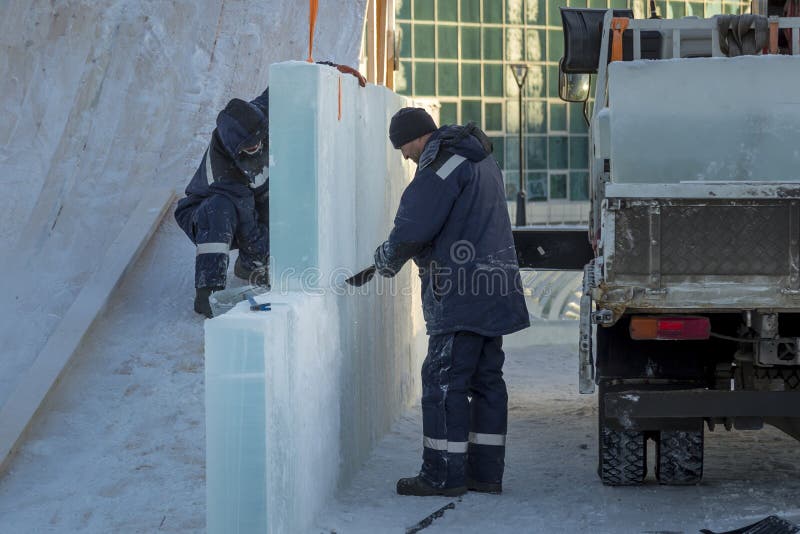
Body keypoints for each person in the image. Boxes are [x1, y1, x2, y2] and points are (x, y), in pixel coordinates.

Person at [374, 107, 530, 497]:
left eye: (404, 148)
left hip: (461, 291)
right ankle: (485, 472)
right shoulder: (478, 158)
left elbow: (414, 224)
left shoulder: (442, 166)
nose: (405, 158)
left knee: (443, 382)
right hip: (493, 287)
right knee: (486, 380)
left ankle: (442, 475)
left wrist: (387, 257)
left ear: (415, 137)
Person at [174, 88, 270, 318]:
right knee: (221, 209)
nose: (257, 146)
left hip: (250, 199)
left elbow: (284, 85)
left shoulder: (253, 115)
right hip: (205, 214)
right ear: (235, 145)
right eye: (250, 146)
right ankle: (208, 293)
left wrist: (332, 68)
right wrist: (264, 258)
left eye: (259, 139)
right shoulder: (223, 171)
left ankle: (247, 264)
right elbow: (247, 223)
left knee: (275, 193)